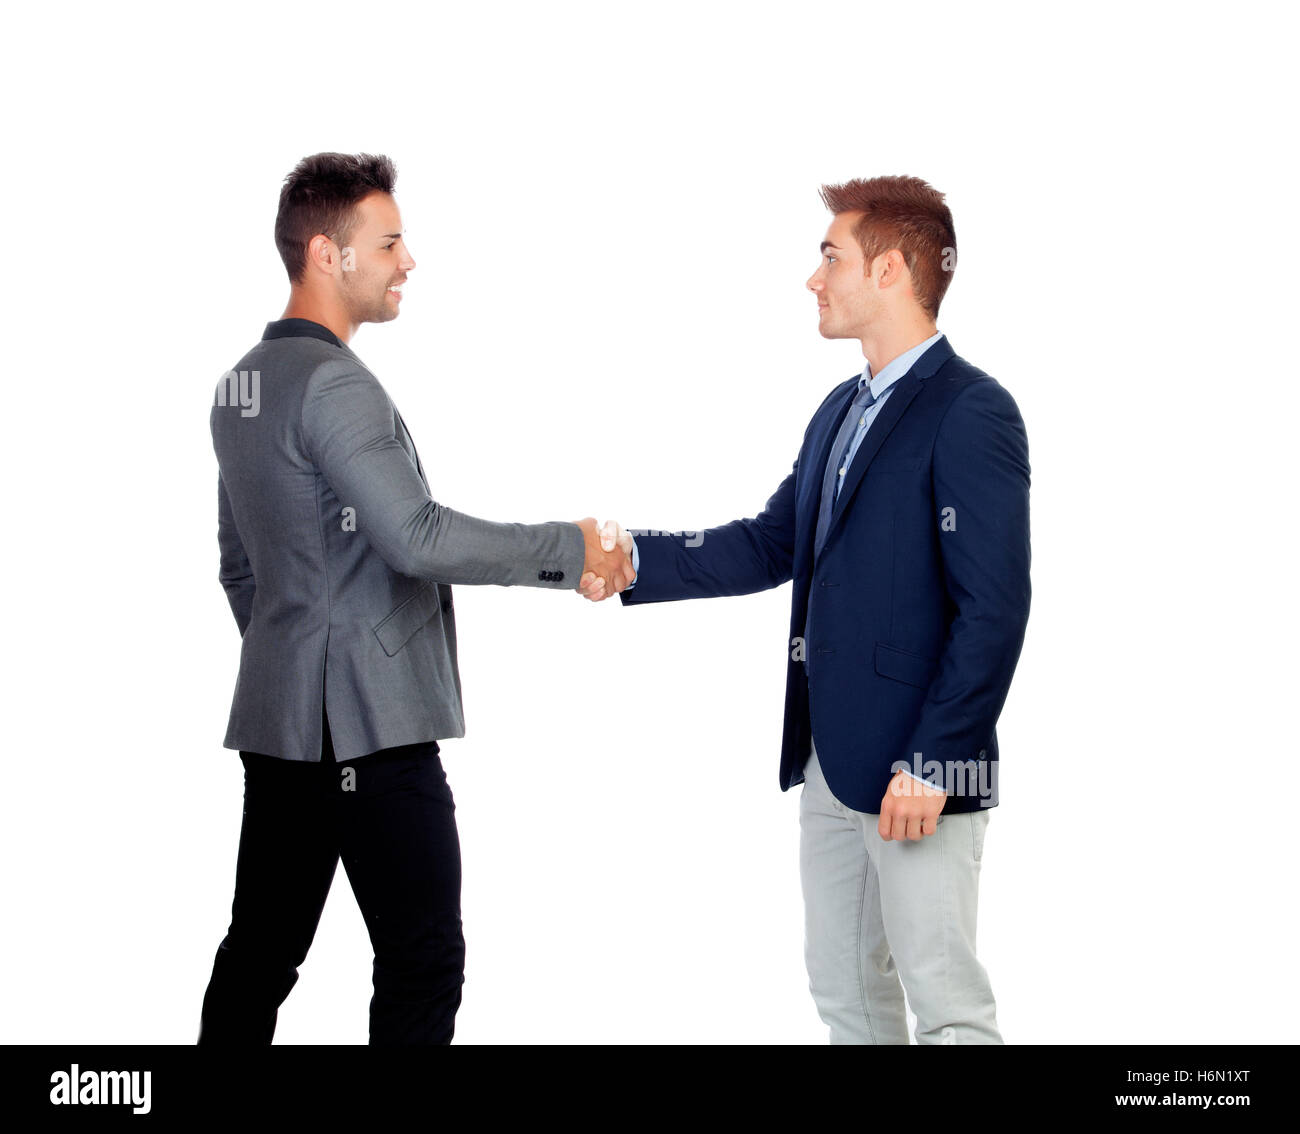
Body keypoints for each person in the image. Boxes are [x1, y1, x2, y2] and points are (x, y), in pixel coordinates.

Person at [585, 175, 1030, 1044]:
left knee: (947, 1006)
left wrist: (937, 763)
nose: (813, 278)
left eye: (832, 257)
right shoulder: (840, 409)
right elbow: (769, 543)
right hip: (831, 763)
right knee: (847, 1000)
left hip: (920, 773)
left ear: (893, 269)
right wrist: (631, 554)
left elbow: (996, 608)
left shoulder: (973, 411)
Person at [200, 151, 631, 1045]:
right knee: (422, 960)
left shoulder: (239, 387)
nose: (408, 261)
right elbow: (417, 537)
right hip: (373, 735)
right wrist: (569, 548)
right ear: (328, 253)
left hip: (281, 733)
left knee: (259, 954)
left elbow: (241, 570)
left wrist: (297, 662)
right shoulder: (336, 385)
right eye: (389, 241)